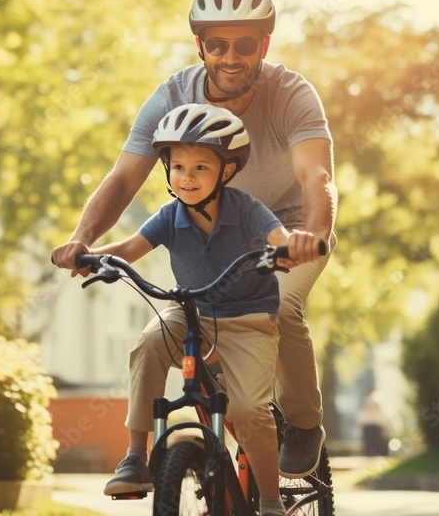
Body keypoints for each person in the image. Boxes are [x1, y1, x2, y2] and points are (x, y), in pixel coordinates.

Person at [51, 0, 338, 492]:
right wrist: (82, 240)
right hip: (211, 238)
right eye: (218, 43)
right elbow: (123, 178)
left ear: (264, 46)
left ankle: (303, 422)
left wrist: (311, 234)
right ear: (200, 45)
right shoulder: (170, 97)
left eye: (245, 44)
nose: (232, 56)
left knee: (281, 307)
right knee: (174, 326)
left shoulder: (291, 94)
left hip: (284, 235)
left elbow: (316, 176)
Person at [66, 102, 322, 516]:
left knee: (249, 411)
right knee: (149, 343)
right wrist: (91, 255)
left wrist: (289, 246)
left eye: (201, 168)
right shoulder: (170, 216)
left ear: (226, 172)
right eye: (178, 166)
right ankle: (135, 455)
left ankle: (272, 502)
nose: (186, 177)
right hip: (190, 312)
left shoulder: (245, 209)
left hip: (249, 319)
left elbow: (277, 234)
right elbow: (130, 248)